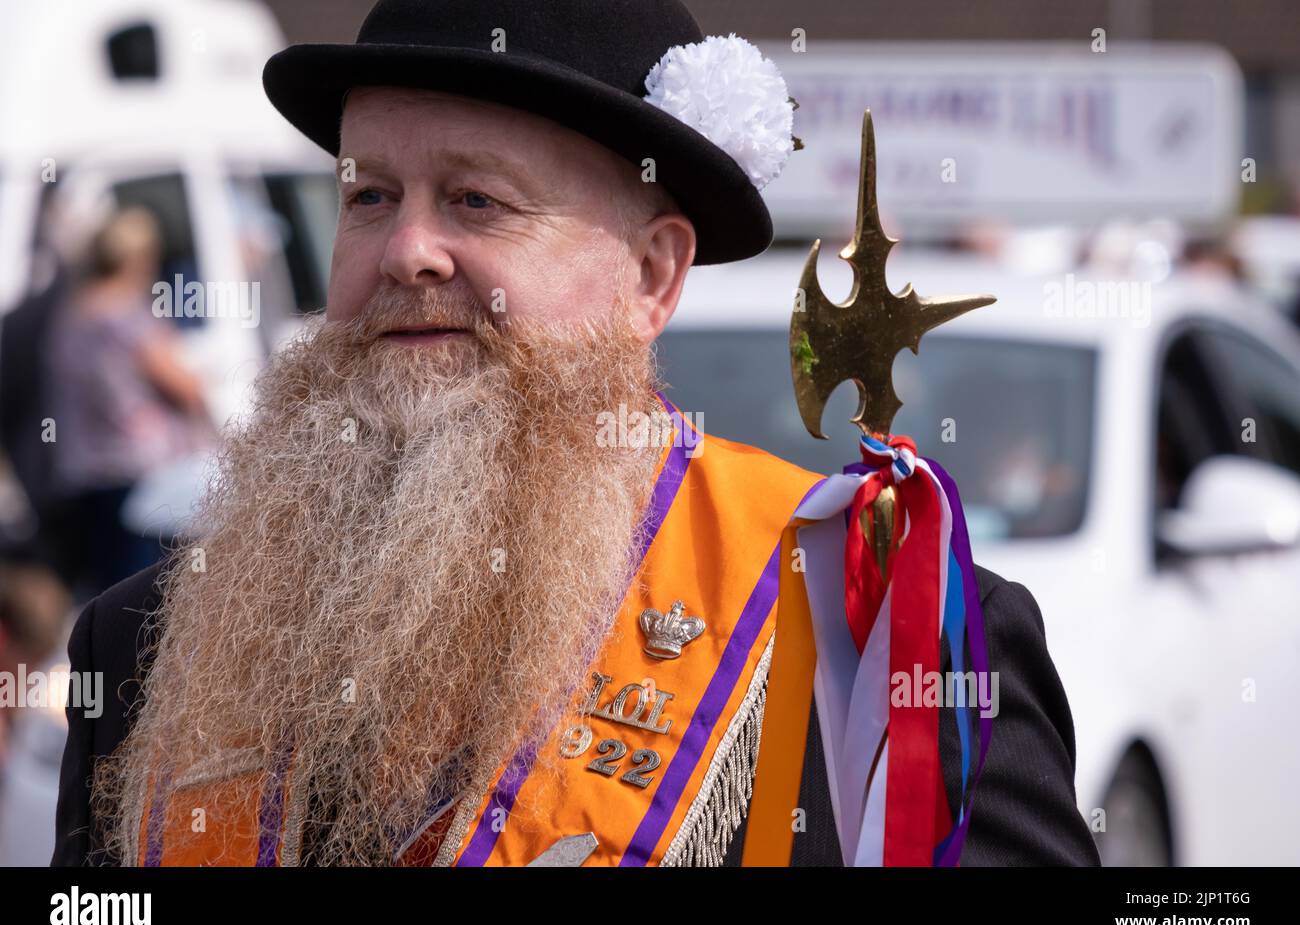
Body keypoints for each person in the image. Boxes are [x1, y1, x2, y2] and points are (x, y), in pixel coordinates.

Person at [52, 0, 1099, 867]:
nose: (408, 248)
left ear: (652, 273)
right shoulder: (151, 641)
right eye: (370, 195)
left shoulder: (861, 625)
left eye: (476, 199)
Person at [44, 207, 213, 599]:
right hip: (139, 476)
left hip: (86, 476)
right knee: (145, 600)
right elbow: (184, 385)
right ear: (139, 259)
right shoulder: (126, 316)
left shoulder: (71, 315)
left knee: (109, 597)